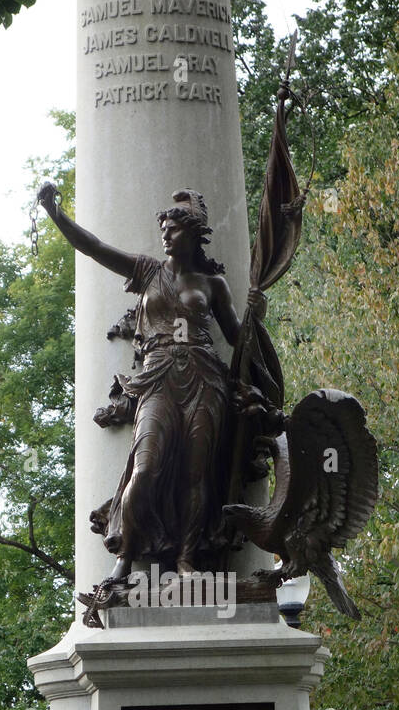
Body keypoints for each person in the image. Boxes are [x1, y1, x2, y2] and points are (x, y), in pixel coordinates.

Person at [37, 182, 265, 580]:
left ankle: (187, 558)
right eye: (163, 227)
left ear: (193, 234)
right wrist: (57, 215)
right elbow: (95, 248)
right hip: (158, 376)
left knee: (197, 473)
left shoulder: (213, 285)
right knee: (145, 469)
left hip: (203, 376)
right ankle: (125, 553)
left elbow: (237, 338)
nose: (165, 233)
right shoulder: (146, 270)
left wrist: (255, 317)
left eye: (173, 228)